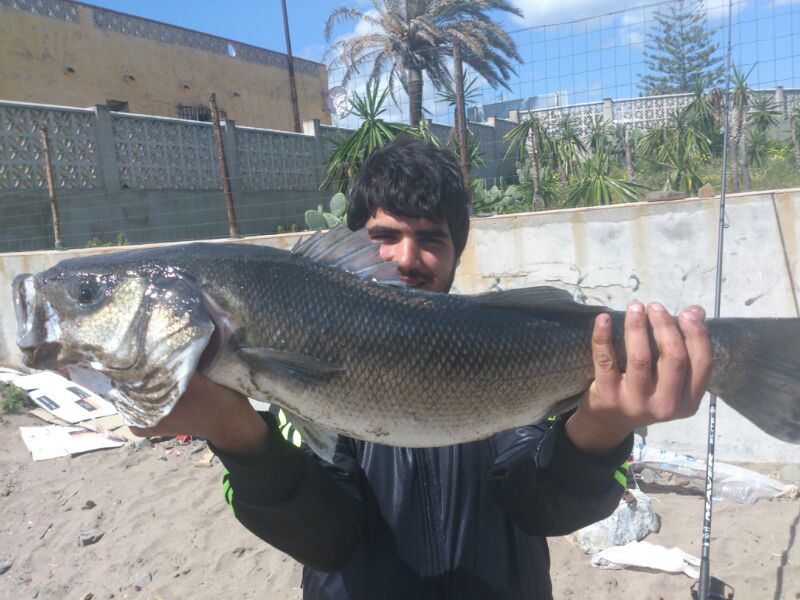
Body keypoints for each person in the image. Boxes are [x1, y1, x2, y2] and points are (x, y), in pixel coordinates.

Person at [132, 137, 712, 599]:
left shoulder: (502, 352)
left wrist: (600, 433)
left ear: (459, 251)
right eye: (384, 236)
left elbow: (537, 507)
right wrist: (235, 433)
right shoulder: (298, 365)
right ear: (354, 241)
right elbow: (325, 539)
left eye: (431, 239)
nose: (407, 257)